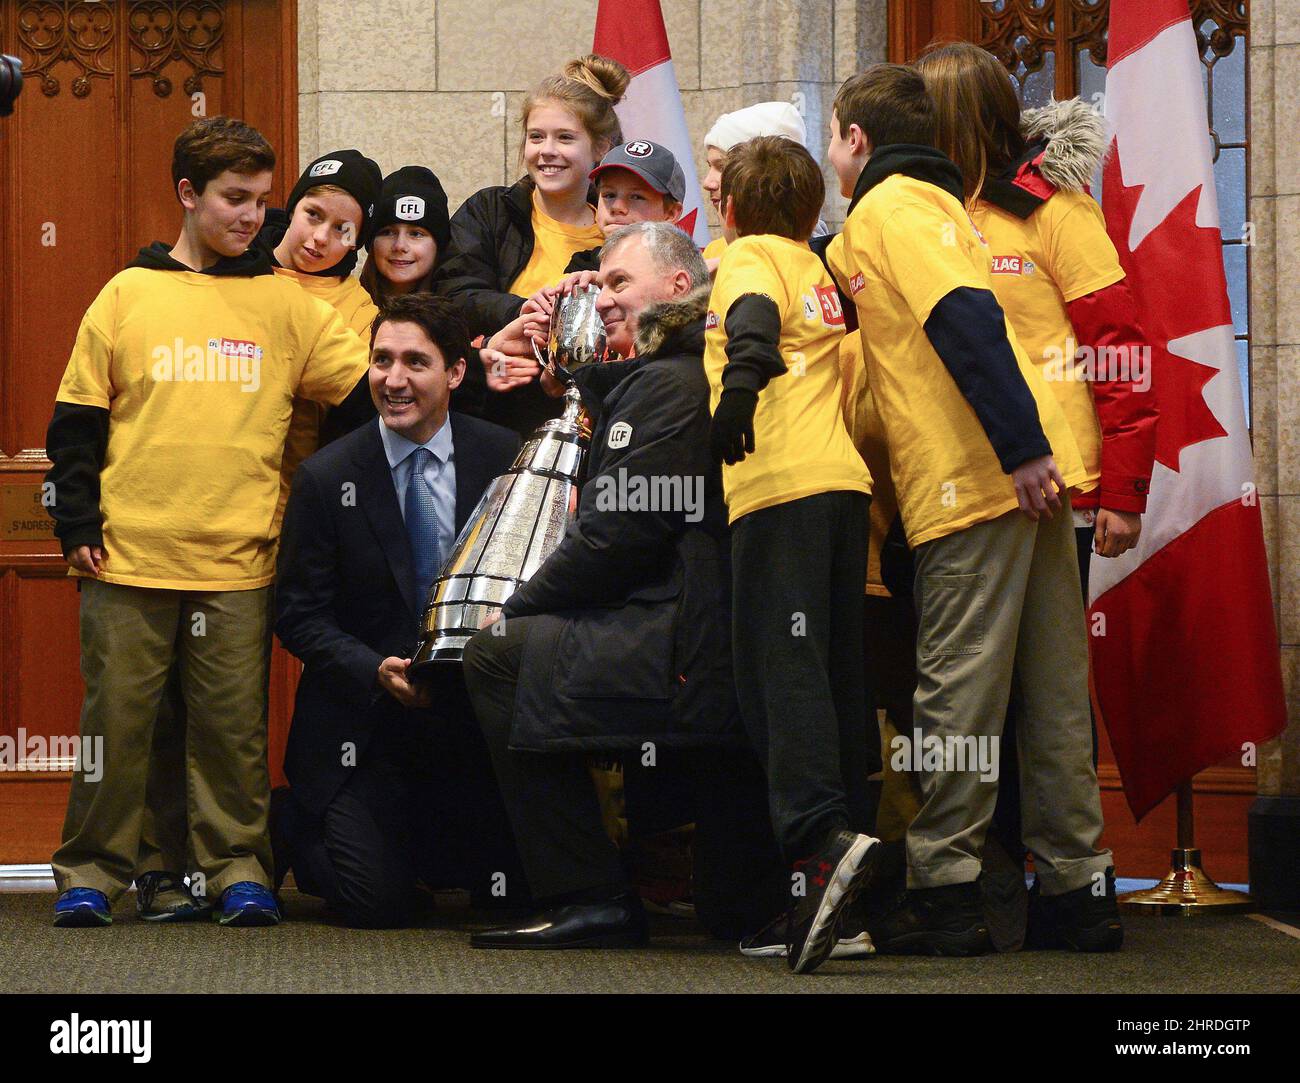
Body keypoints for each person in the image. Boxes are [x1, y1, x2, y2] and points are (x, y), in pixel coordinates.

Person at [43, 115, 373, 928]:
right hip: (126, 551)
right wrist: (76, 517)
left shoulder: (286, 305)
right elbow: (76, 420)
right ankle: (102, 871)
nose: (251, 216)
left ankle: (234, 869)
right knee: (118, 731)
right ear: (188, 195)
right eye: (234, 198)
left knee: (229, 735)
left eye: (262, 200)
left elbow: (373, 397)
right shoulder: (127, 293)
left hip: (239, 559)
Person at [830, 64, 1120, 956]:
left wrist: (1019, 445)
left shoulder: (893, 208)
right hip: (1023, 476)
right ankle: (1079, 887)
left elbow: (965, 319)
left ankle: (947, 886)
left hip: (973, 479)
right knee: (1053, 691)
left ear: (856, 141)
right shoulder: (949, 206)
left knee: (957, 690)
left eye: (833, 138)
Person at [461, 222, 788, 950]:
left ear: (678, 287)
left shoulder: (668, 384)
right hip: (673, 617)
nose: (602, 299)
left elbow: (617, 536)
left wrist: (512, 611)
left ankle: (589, 893)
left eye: (618, 283)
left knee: (494, 657)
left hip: (683, 635)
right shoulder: (659, 375)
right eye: (598, 284)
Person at [916, 42, 1158, 949]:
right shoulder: (920, 214)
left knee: (1041, 696)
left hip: (1048, 490)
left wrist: (1127, 489)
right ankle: (984, 880)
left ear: (957, 121)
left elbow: (1123, 351)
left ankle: (1064, 885)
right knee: (969, 697)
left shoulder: (1052, 213)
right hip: (951, 487)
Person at [272, 293, 525, 927]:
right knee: (377, 903)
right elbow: (298, 614)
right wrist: (370, 668)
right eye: (381, 360)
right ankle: (295, 817)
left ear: (456, 373)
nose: (394, 379)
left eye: (416, 362)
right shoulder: (328, 477)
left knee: (505, 895)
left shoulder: (504, 458)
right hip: (366, 723)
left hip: (472, 717)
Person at [703, 136, 880, 974]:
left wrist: (739, 387)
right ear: (815, 211)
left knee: (781, 675)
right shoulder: (822, 270)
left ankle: (817, 851)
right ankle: (847, 904)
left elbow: (750, 324)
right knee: (839, 676)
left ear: (730, 209)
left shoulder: (747, 257)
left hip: (778, 489)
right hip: (845, 490)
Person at [437, 54, 628, 436]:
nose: (547, 150)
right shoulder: (491, 210)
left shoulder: (618, 235)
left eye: (566, 138)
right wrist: (522, 311)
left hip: (588, 421)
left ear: (601, 147)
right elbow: (452, 294)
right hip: (493, 415)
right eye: (536, 136)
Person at [700, 101, 819, 267]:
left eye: (721, 167)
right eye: (709, 166)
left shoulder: (822, 258)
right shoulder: (714, 252)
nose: (707, 183)